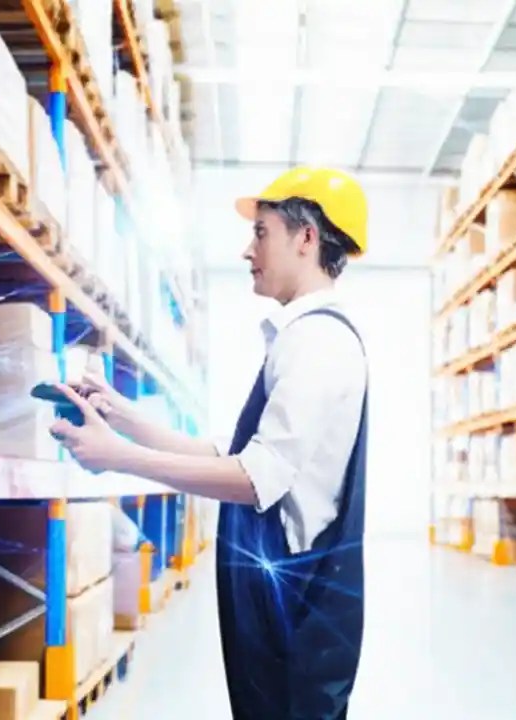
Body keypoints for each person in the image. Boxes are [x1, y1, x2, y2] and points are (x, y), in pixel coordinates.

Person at [50, 166, 370, 720]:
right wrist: (120, 415)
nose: (249, 250)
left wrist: (117, 458)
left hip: (297, 611)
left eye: (262, 232)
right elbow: (230, 451)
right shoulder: (299, 339)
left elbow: (254, 478)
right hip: (286, 602)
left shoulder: (319, 343)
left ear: (307, 238)